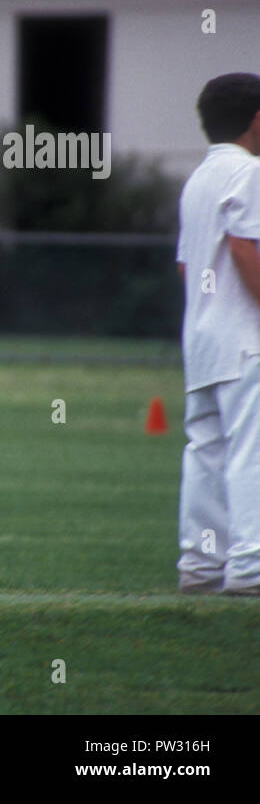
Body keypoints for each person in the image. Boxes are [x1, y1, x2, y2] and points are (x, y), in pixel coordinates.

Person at [175, 72, 260, 595]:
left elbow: (189, 267)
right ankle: (251, 567)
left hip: (203, 340)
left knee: (206, 449)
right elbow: (245, 248)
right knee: (253, 449)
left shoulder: (199, 180)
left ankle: (201, 567)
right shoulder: (251, 172)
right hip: (247, 339)